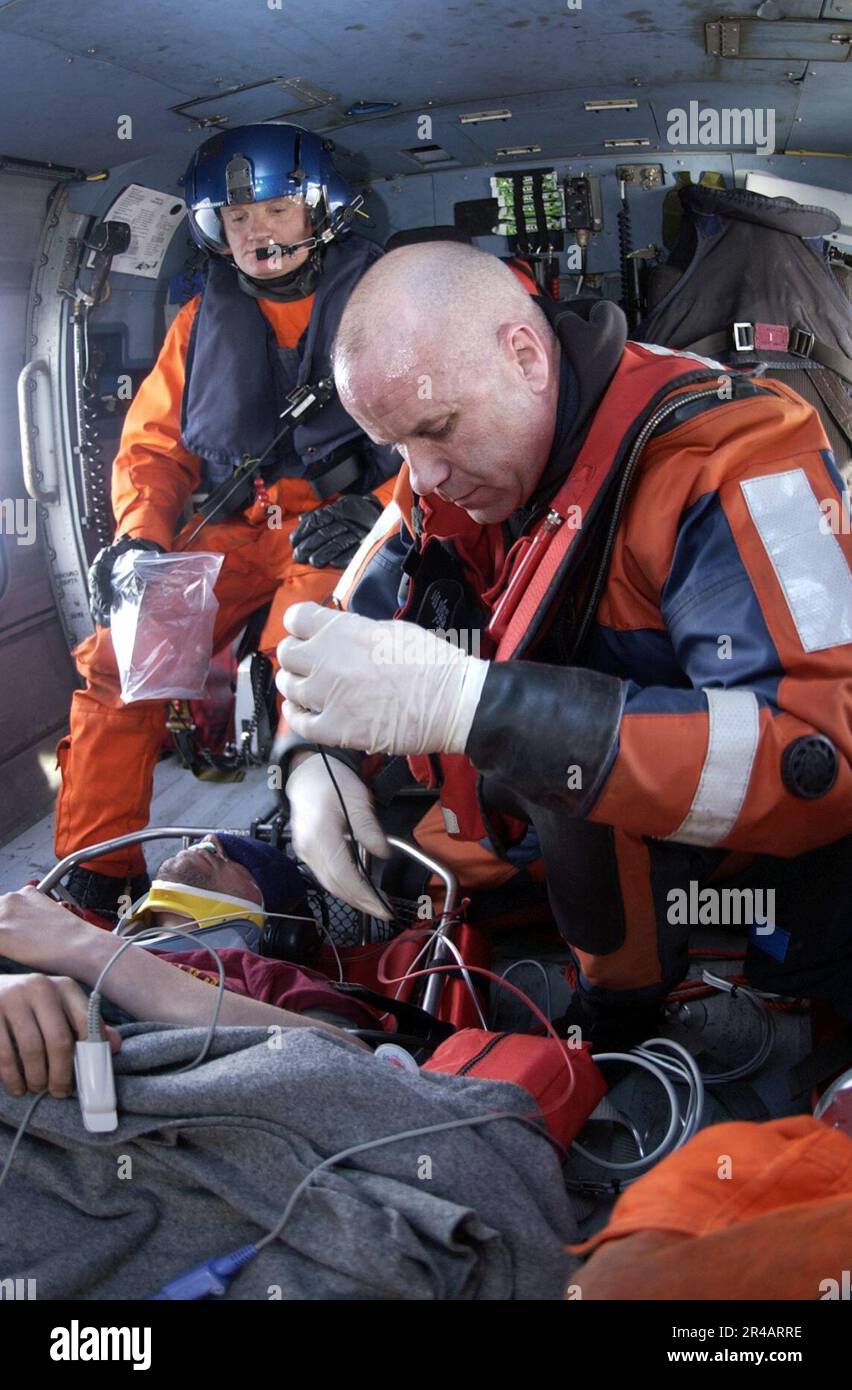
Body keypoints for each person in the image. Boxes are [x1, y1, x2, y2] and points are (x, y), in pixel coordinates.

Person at [276, 241, 852, 1049]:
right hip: (542, 853)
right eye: (395, 444)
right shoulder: (441, 467)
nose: (424, 475)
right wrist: (312, 759)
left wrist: (474, 706)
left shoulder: (741, 455)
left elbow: (818, 762)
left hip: (723, 878)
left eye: (437, 429)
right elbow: (339, 636)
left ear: (524, 357)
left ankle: (631, 1020)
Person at [56, 123, 399, 916]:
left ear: (321, 213)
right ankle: (95, 875)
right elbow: (152, 446)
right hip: (232, 525)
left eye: (275, 211)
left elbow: (441, 437)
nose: (257, 234)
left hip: (337, 524)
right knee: (122, 660)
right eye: (238, 219)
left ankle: (304, 860)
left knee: (300, 663)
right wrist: (140, 537)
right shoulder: (199, 321)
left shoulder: (388, 302)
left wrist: (377, 512)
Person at [0, 835, 379, 1100]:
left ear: (279, 925)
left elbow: (353, 1066)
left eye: (233, 858)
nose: (208, 844)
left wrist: (97, 953)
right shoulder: (65, 918)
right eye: (203, 844)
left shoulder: (265, 977)